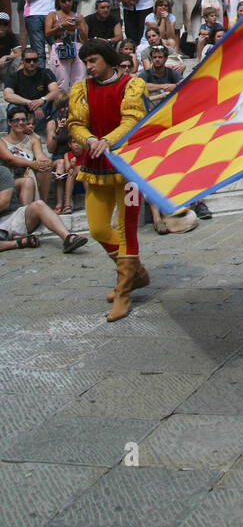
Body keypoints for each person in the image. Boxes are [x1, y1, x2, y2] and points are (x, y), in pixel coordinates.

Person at [68, 39, 149, 320]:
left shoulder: (132, 86)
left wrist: (107, 140)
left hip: (128, 170)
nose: (88, 67)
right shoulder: (81, 90)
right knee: (98, 229)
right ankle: (135, 273)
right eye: (86, 62)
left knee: (127, 230)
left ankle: (123, 292)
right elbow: (75, 123)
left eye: (93, 61)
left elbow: (133, 120)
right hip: (95, 167)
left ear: (107, 60)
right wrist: (89, 139)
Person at [0, 107, 87, 252]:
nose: (20, 123)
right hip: (19, 174)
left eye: (23, 120)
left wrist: (40, 162)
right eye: (17, 120)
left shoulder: (3, 173)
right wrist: (33, 163)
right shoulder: (2, 142)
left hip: (12, 209)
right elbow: (9, 158)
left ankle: (68, 237)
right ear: (9, 123)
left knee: (36, 188)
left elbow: (4, 201)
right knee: (28, 179)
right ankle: (19, 242)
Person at [3, 47, 62, 137]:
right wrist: (29, 103)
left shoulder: (45, 73)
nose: (32, 63)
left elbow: (55, 91)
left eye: (35, 60)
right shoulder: (14, 76)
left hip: (42, 106)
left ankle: (55, 134)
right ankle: (13, 137)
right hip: (23, 107)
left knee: (60, 101)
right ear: (22, 61)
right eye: (28, 60)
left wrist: (42, 100)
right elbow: (7, 95)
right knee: (12, 107)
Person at [45, 0, 88, 93]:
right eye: (63, 1)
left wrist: (78, 27)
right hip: (60, 47)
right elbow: (47, 33)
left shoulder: (78, 16)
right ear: (58, 2)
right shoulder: (52, 15)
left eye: (69, 0)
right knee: (61, 80)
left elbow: (85, 38)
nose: (67, 3)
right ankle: (61, 106)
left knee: (79, 79)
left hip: (76, 46)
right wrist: (61, 26)